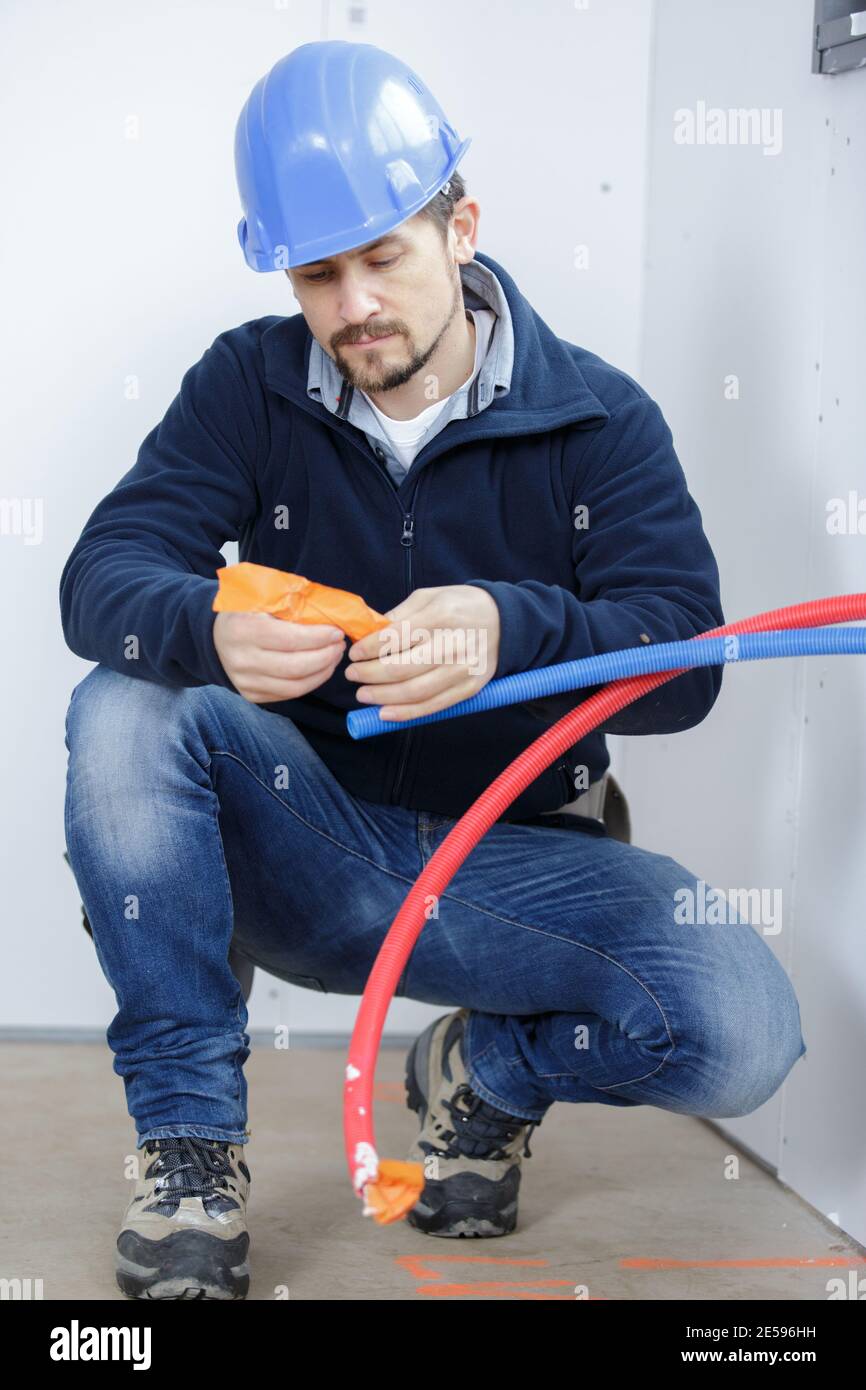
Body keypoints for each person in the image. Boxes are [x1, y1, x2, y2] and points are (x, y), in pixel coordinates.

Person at [60, 39, 806, 1300]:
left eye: (383, 256)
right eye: (316, 273)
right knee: (127, 702)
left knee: (741, 1033)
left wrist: (517, 627)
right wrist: (203, 624)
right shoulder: (246, 386)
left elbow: (687, 664)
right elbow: (102, 576)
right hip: (312, 846)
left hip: (512, 870)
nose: (352, 305)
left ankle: (484, 1076)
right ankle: (189, 1143)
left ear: (462, 227)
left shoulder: (598, 421)